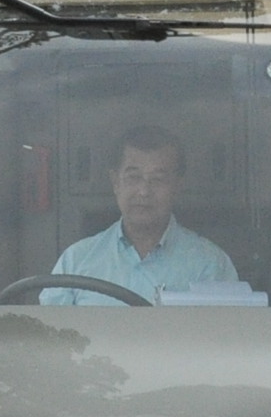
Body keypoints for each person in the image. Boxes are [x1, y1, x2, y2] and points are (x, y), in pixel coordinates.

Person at [43, 124, 240, 305]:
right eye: (133, 177)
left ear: (177, 186)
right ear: (115, 182)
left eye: (158, 179)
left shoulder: (211, 265)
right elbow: (48, 330)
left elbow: (227, 330)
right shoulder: (75, 262)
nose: (144, 191)